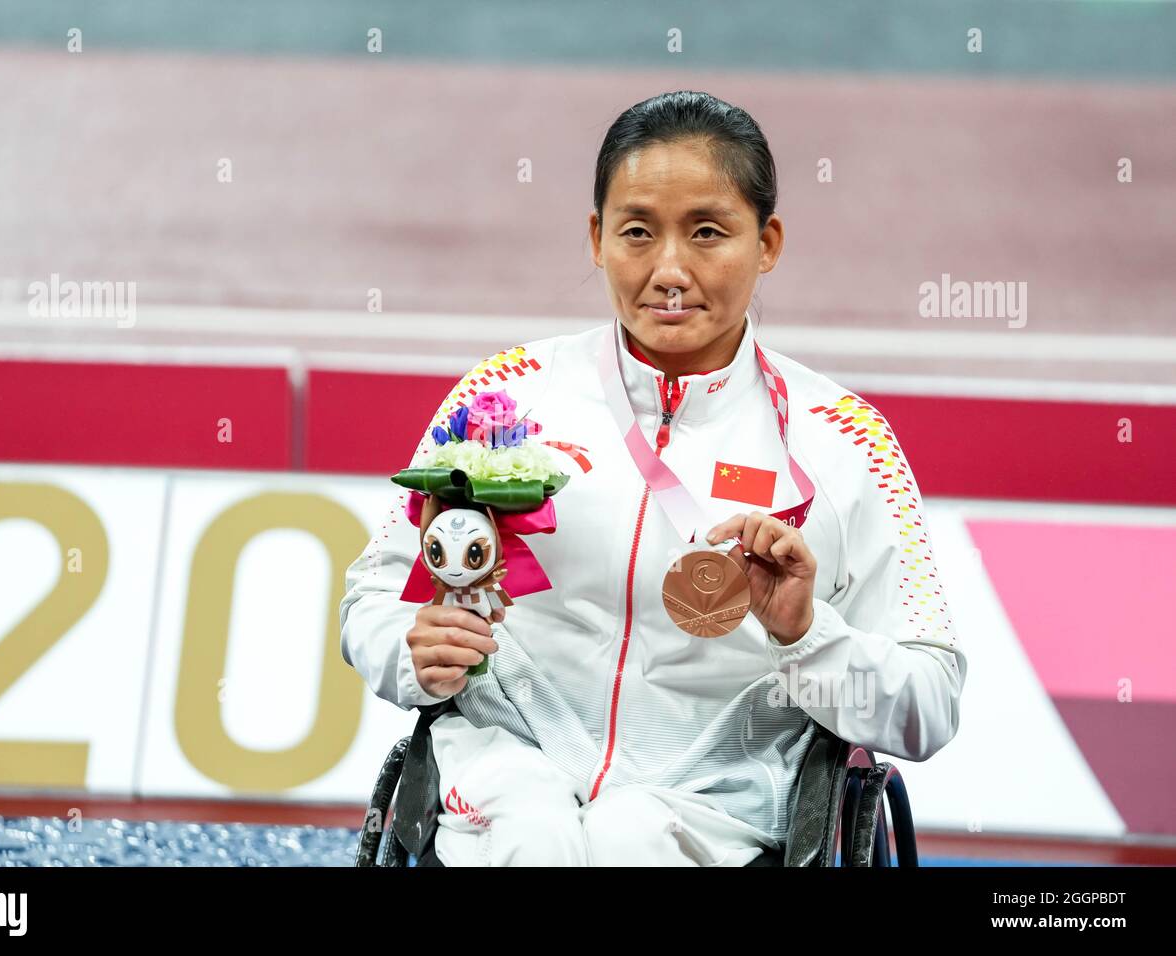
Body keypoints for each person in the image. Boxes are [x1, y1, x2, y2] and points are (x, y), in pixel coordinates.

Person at [340, 90, 967, 866]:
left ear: (766, 242)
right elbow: (373, 596)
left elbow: (929, 706)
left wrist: (808, 636)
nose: (670, 270)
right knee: (536, 833)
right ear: (597, 238)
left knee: (629, 833)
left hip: (716, 820)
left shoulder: (847, 441)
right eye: (638, 231)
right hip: (502, 792)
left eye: (708, 232)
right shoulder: (501, 396)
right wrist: (411, 647)